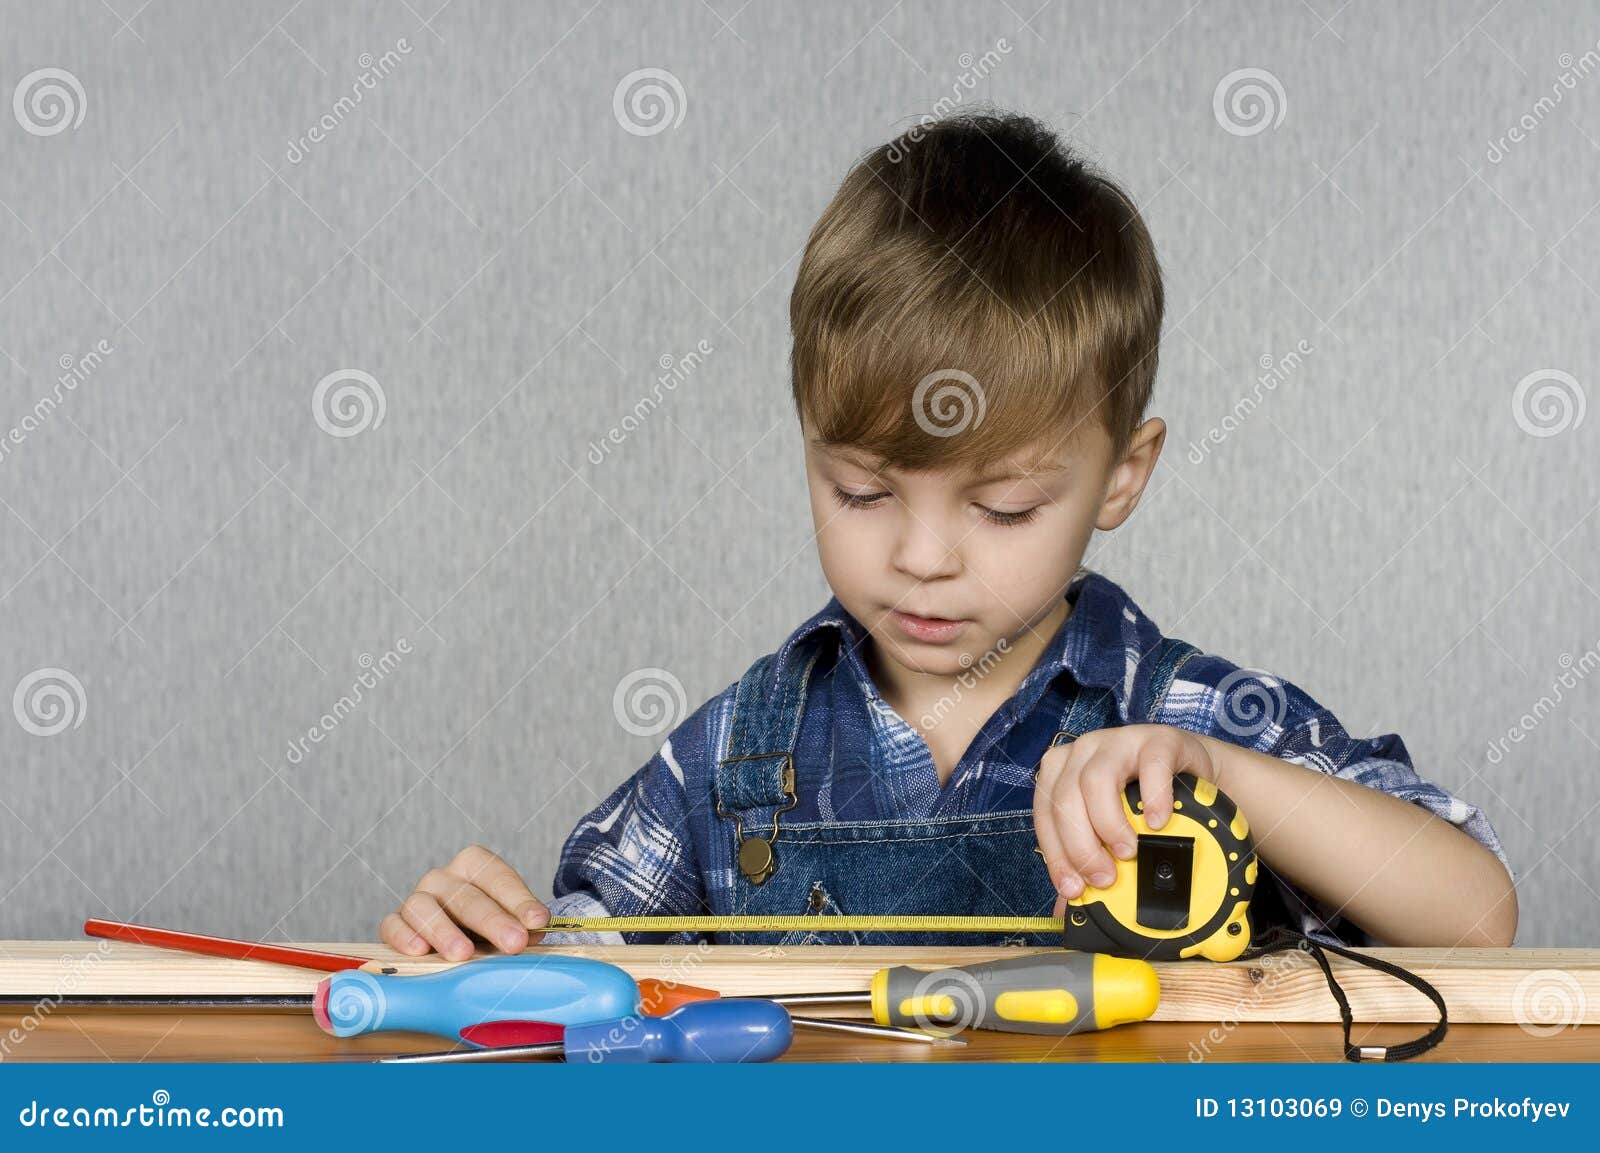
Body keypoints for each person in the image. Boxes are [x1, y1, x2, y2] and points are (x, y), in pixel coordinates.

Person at [379, 110, 1515, 959]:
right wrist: (487, 948)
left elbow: (1476, 920)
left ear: (1122, 476)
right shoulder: (736, 756)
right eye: (863, 493)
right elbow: (580, 973)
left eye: (1004, 508)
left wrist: (1227, 779)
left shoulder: (1185, 721)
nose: (921, 556)